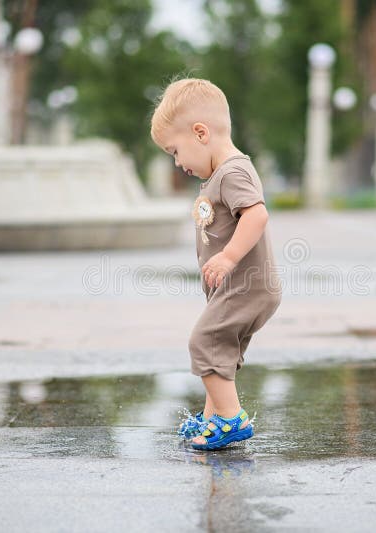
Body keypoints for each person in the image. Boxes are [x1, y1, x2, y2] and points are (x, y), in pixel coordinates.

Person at [150, 78, 282, 450]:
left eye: (175, 151)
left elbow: (257, 215)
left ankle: (230, 419)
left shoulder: (232, 172)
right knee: (220, 354)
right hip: (240, 287)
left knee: (204, 342)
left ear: (201, 133)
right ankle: (213, 419)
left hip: (245, 286)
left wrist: (227, 257)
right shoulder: (221, 175)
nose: (178, 163)